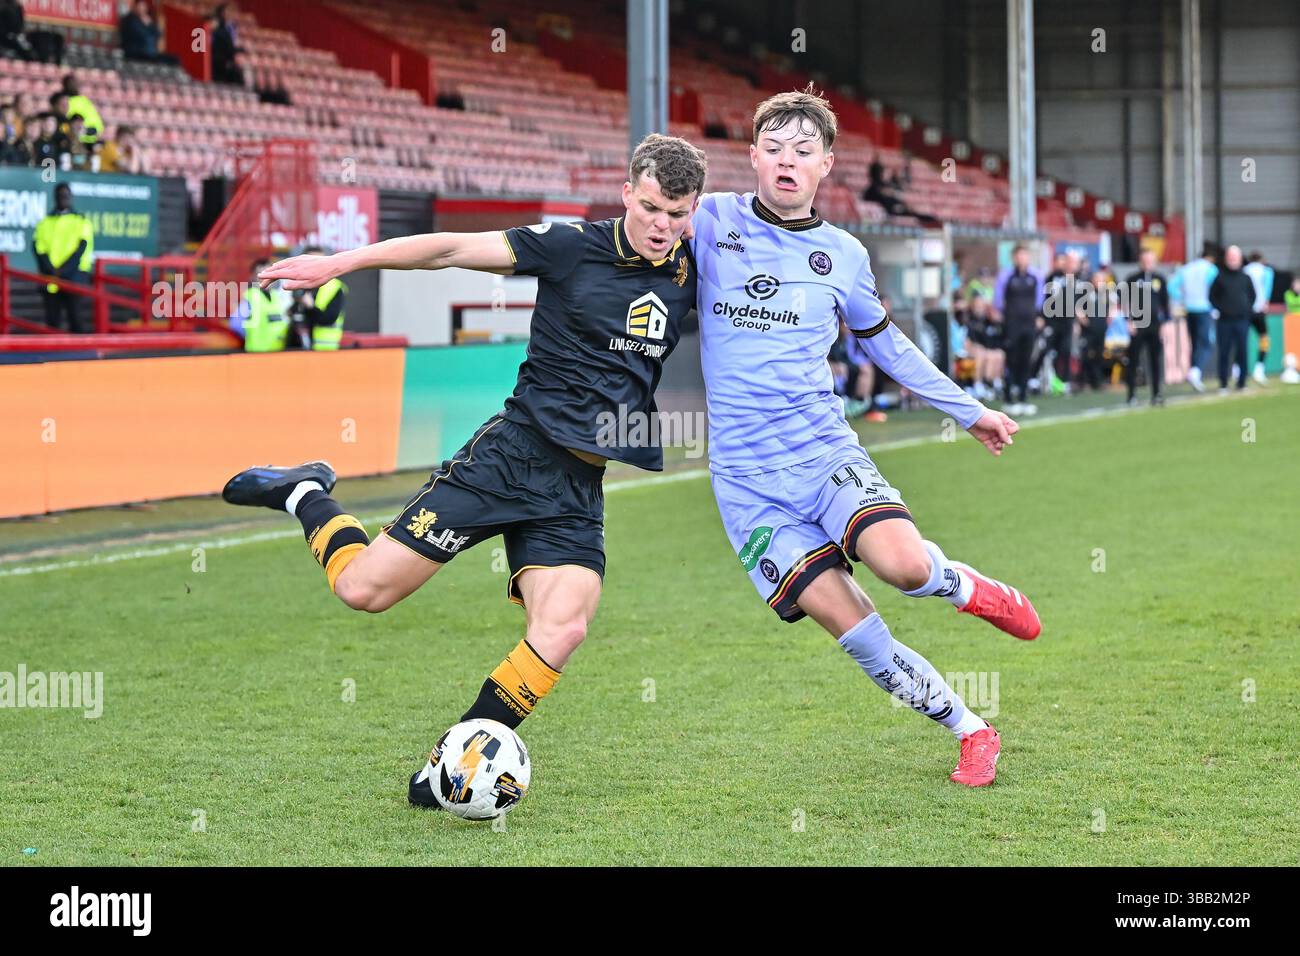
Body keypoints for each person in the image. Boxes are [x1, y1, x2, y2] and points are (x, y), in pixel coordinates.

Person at [220, 133, 706, 809]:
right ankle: (303, 491)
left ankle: (449, 764)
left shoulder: (695, 265)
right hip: (511, 460)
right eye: (652, 207)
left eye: (678, 215)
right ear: (628, 192)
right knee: (364, 591)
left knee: (563, 627)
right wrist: (341, 262)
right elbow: (448, 248)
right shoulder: (570, 246)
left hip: (576, 488)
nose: (663, 226)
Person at [690, 87, 1038, 789]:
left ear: (826, 167)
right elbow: (631, 244)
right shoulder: (707, 220)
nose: (788, 162)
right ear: (753, 157)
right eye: (776, 148)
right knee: (857, 633)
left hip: (822, 452)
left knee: (904, 568)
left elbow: (891, 349)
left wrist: (969, 411)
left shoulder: (841, 254)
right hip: (747, 484)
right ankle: (971, 730)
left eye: (805, 151)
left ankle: (968, 586)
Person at [33, 183, 93, 332]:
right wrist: (51, 270)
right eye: (60, 195)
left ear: (71, 197)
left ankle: (82, 354)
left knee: (76, 318)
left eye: (66, 195)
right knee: (52, 320)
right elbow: (38, 247)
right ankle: (51, 355)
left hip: (74, 277)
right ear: (55, 197)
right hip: (50, 277)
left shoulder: (81, 221)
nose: (63, 198)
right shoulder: (45, 222)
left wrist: (64, 271)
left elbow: (82, 247)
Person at [993, 244, 1044, 414]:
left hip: (1028, 323)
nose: (1022, 259)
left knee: (1026, 360)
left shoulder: (1035, 275)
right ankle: (1008, 398)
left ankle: (1023, 397)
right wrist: (1003, 316)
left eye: (1025, 255)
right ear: (1014, 257)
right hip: (1011, 324)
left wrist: (1038, 316)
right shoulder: (1006, 276)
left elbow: (1039, 299)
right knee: (1011, 359)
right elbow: (998, 300)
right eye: (1019, 255)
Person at [1123, 249, 1170, 405]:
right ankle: (1131, 395)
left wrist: (1165, 324)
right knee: (1133, 360)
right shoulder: (1132, 279)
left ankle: (1156, 393)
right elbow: (1124, 301)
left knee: (1155, 360)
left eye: (1150, 261)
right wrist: (1128, 321)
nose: (1148, 264)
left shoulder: (1160, 279)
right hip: (1138, 324)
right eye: (1145, 261)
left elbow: (1166, 304)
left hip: (1155, 325)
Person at [1171, 242, 1218, 391]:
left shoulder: (1185, 269)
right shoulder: (1211, 270)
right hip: (1205, 309)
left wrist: (1183, 298)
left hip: (1189, 309)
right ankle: (1195, 371)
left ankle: (1194, 371)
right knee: (1206, 343)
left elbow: (1171, 287)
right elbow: (1216, 290)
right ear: (1210, 258)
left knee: (1195, 342)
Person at [1209, 244, 1255, 393]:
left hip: (1242, 319)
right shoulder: (1220, 276)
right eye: (1230, 257)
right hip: (1224, 321)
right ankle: (1223, 383)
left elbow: (1252, 296)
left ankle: (1242, 382)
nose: (1233, 260)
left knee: (1242, 351)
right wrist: (1222, 309)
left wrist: (1246, 309)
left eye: (1235, 257)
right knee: (1224, 352)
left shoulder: (1245, 277)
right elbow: (1212, 296)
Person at [287, 246, 348, 350]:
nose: (316, 265)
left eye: (320, 261)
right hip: (297, 348)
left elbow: (328, 319)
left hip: (323, 350)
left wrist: (310, 307)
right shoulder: (300, 285)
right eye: (311, 261)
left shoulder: (335, 287)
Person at [232, 258, 291, 351]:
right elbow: (235, 324)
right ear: (253, 278)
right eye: (261, 275)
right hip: (258, 353)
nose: (266, 279)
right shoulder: (250, 297)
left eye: (269, 275)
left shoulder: (275, 296)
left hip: (277, 351)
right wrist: (252, 337)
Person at [1242, 251, 1274, 384]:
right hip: (1259, 310)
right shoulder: (1266, 271)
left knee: (1242, 339)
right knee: (1264, 338)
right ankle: (1259, 369)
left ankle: (1237, 368)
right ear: (1262, 259)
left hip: (1245, 309)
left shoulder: (1244, 270)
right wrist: (1265, 302)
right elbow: (1267, 288)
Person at [120, 0, 180, 66]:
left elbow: (158, 34)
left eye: (144, 6)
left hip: (149, 54)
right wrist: (146, 24)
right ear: (135, 6)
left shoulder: (146, 20)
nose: (142, 8)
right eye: (140, 6)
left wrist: (150, 24)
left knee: (174, 59)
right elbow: (143, 35)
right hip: (136, 53)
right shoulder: (130, 19)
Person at [61, 75, 102, 144]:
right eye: (70, 83)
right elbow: (61, 126)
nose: (73, 85)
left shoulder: (85, 101)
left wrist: (86, 131)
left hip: (88, 142)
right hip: (69, 142)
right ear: (65, 85)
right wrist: (71, 132)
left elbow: (97, 125)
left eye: (75, 83)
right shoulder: (62, 102)